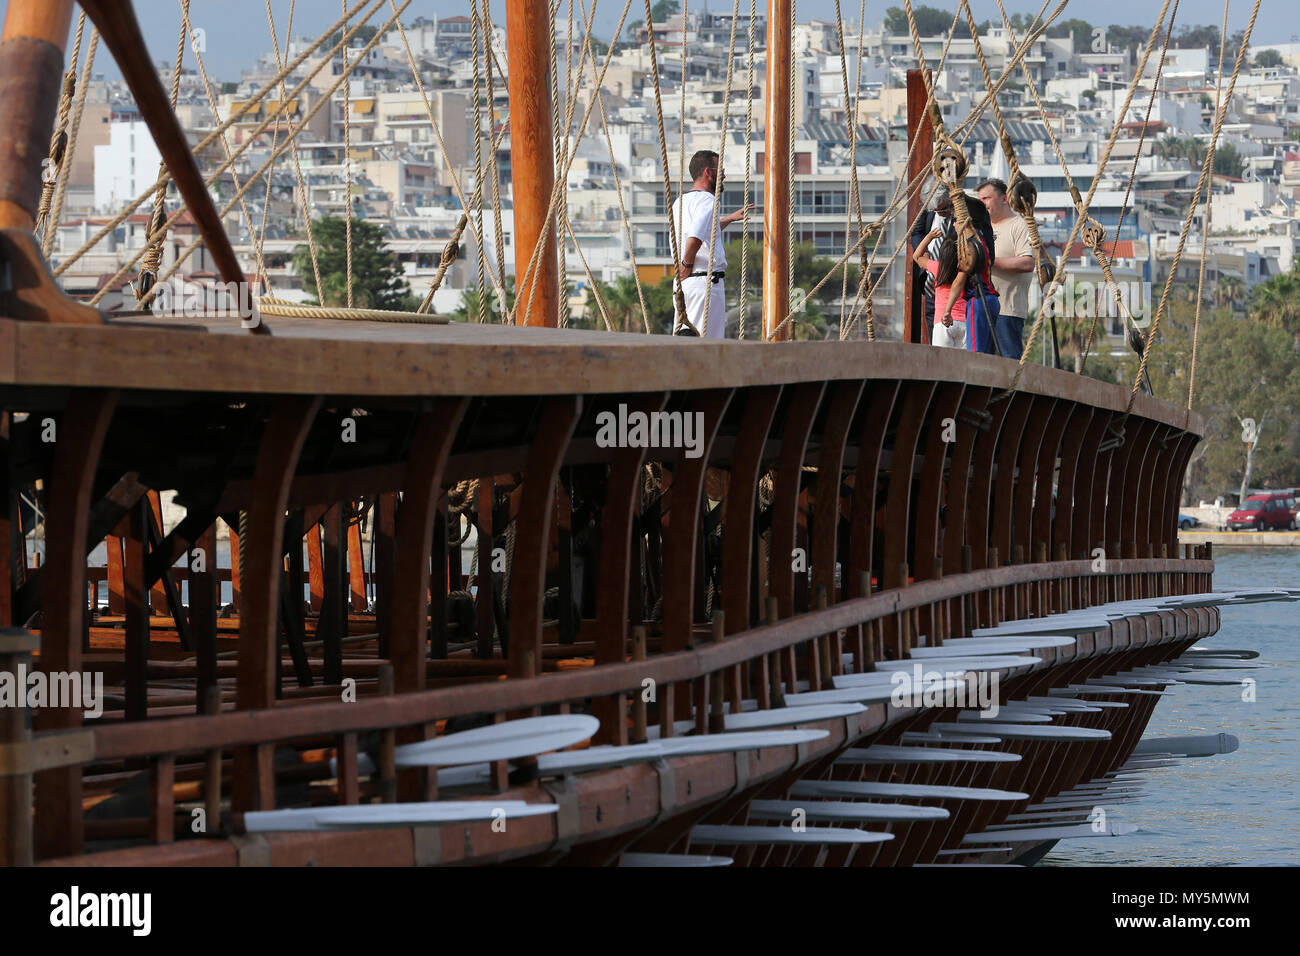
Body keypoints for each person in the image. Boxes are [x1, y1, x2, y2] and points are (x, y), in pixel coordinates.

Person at [670, 150, 752, 337]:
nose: (723, 175)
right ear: (708, 172)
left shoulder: (681, 201)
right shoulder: (708, 200)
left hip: (686, 285)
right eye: (720, 170)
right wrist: (686, 264)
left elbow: (704, 233)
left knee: (686, 339)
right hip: (703, 283)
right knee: (705, 345)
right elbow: (696, 237)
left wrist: (728, 219)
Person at [911, 196, 1000, 354]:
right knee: (985, 352)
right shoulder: (981, 242)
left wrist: (947, 310)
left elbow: (959, 280)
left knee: (974, 355)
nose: (953, 223)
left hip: (979, 301)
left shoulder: (970, 248)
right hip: (989, 299)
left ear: (966, 221)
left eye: (957, 219)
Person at [977, 177, 1035, 360]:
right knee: (980, 362)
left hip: (1007, 310)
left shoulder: (1020, 226)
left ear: (1004, 199)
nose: (982, 204)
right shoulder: (980, 227)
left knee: (1009, 362)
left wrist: (989, 261)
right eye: (980, 200)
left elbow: (1027, 263)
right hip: (981, 307)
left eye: (986, 198)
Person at [910, 193, 954, 333]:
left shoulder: (961, 212)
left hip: (952, 276)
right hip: (930, 274)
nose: (940, 213)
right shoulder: (928, 208)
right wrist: (924, 249)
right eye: (936, 210)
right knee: (932, 321)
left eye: (943, 209)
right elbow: (916, 232)